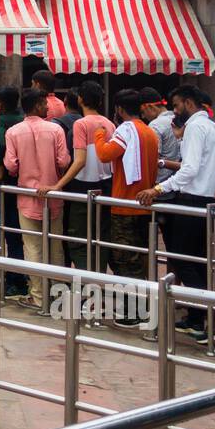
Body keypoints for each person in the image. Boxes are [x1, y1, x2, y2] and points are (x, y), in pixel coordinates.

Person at [136, 84, 215, 343]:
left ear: (189, 103)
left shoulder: (195, 127)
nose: (174, 110)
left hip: (191, 200)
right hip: (207, 201)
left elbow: (189, 169)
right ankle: (196, 317)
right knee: (197, 261)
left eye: (177, 105)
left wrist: (158, 188)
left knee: (181, 260)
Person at [92, 89, 161, 328]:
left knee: (124, 259)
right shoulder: (149, 132)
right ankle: (140, 307)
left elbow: (104, 154)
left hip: (126, 204)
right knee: (139, 259)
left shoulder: (126, 130)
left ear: (120, 109)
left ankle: (132, 312)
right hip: (144, 205)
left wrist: (99, 134)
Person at [2, 89, 70, 311]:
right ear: (37, 105)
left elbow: (11, 166)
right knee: (56, 246)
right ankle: (59, 296)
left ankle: (39, 297)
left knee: (32, 247)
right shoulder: (56, 129)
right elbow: (63, 161)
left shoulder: (13, 132)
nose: (48, 107)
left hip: (27, 196)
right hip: (54, 196)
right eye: (44, 104)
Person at [42, 80, 114, 271]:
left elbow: (79, 160)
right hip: (106, 186)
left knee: (77, 242)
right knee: (101, 238)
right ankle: (99, 280)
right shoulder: (109, 123)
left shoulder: (81, 124)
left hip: (83, 187)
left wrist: (58, 185)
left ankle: (89, 286)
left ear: (80, 99)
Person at [0, 86, 28, 300]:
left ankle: (16, 280)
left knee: (11, 231)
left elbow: (2, 147)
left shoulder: (2, 121)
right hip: (31, 179)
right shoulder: (24, 118)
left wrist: (0, 171)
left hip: (12, 178)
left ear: (1, 103)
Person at [140, 88, 180, 181]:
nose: (143, 116)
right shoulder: (178, 119)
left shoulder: (155, 125)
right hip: (178, 182)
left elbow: (152, 159)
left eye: (142, 112)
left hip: (160, 184)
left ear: (150, 107)